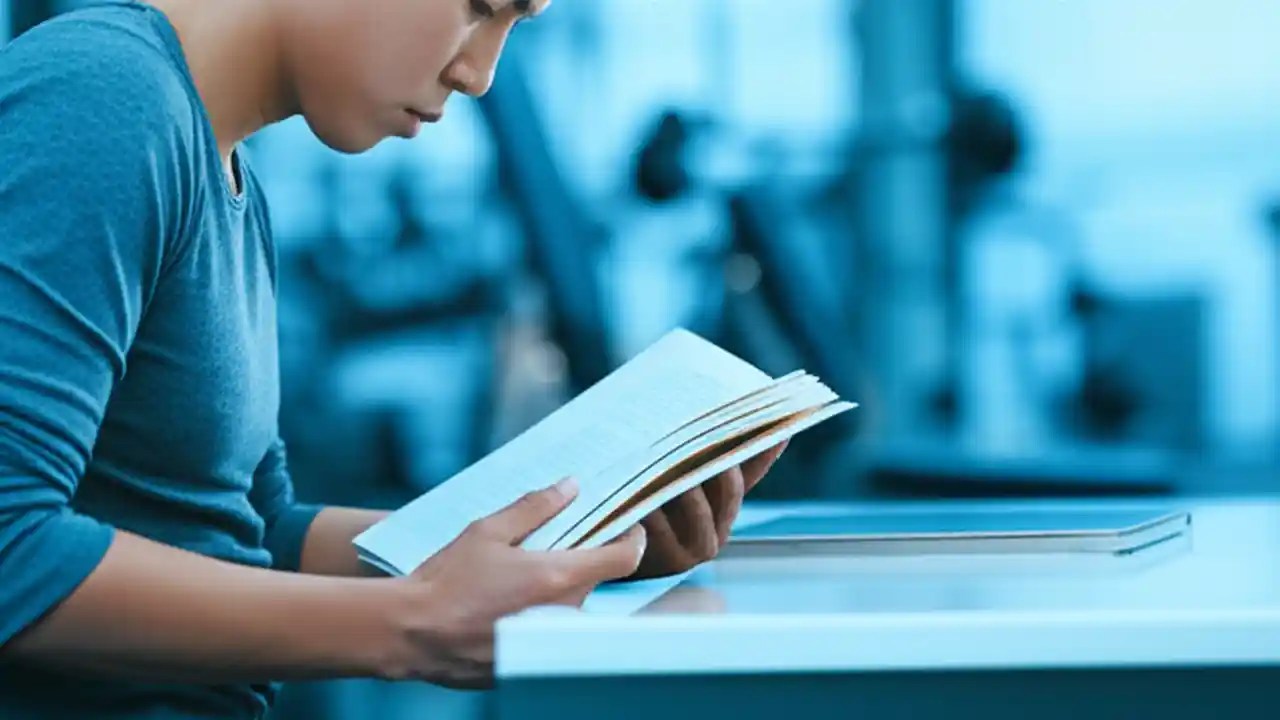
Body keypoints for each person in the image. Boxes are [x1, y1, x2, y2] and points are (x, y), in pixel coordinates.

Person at [0, 1, 788, 717]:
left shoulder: (226, 173)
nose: (478, 74)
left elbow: (249, 534)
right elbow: (11, 546)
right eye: (482, 8)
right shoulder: (103, 99)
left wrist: (553, 558)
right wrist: (412, 625)